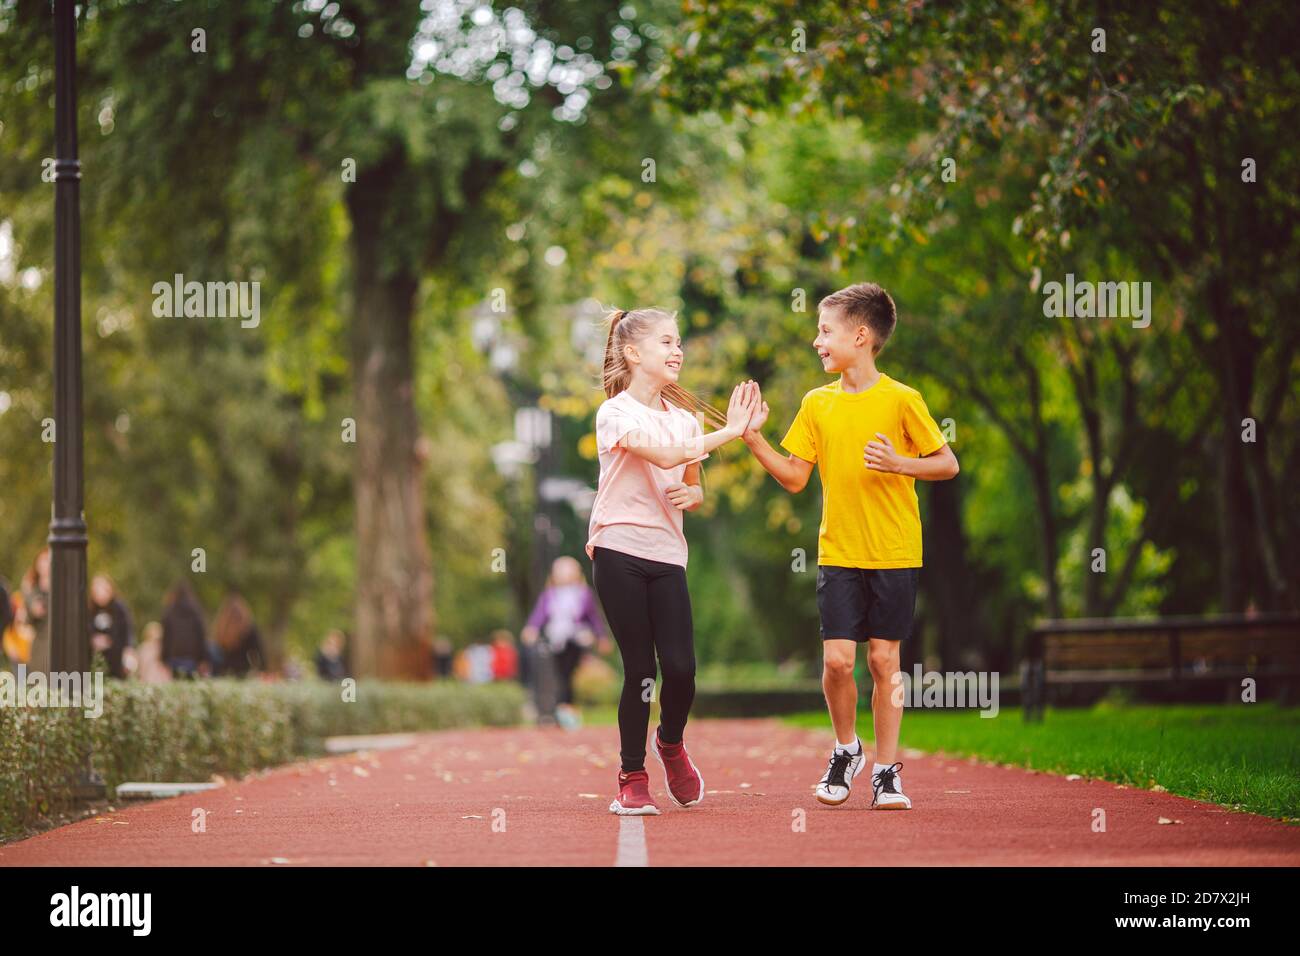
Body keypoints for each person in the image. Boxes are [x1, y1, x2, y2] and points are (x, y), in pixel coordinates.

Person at [740, 282, 959, 810]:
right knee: (838, 662)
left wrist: (901, 463)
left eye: (825, 331)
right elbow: (795, 477)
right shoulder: (817, 404)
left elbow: (947, 463)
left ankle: (887, 771)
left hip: (894, 551)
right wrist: (752, 438)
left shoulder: (903, 400)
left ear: (860, 336)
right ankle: (846, 750)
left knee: (885, 661)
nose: (817, 341)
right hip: (838, 551)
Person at [585, 306, 759, 816]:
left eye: (678, 341)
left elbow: (688, 480)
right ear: (634, 353)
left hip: (667, 554)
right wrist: (734, 431)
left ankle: (671, 744)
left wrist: (694, 497)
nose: (677, 350)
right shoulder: (614, 413)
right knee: (641, 667)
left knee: (681, 670)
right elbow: (661, 457)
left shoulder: (685, 420)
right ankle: (632, 777)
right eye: (666, 342)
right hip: (618, 548)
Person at [521, 556, 605, 729]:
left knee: (566, 675)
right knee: (556, 677)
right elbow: (539, 615)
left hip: (575, 640)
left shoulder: (584, 593)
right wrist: (531, 628)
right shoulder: (549, 594)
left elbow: (593, 618)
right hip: (555, 641)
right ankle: (557, 712)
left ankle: (565, 711)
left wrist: (601, 636)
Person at [88, 573, 134, 679]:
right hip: (96, 660)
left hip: (116, 659)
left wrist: (128, 651)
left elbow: (126, 632)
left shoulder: (119, 609)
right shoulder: (90, 610)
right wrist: (93, 640)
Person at [160, 581, 209, 679]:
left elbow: (166, 638)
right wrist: (203, 658)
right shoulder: (196, 612)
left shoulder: (170, 612)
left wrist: (164, 658)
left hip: (174, 657)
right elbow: (201, 637)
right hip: (192, 658)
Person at [211, 592, 266, 678]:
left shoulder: (221, 628)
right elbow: (259, 652)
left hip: (222, 672)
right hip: (242, 672)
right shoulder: (249, 628)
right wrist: (263, 669)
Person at [20, 548, 51, 673]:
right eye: (42, 561)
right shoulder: (33, 588)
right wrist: (33, 610)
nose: (45, 565)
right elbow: (26, 620)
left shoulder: (61, 585)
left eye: (48, 561)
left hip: (57, 639)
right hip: (40, 641)